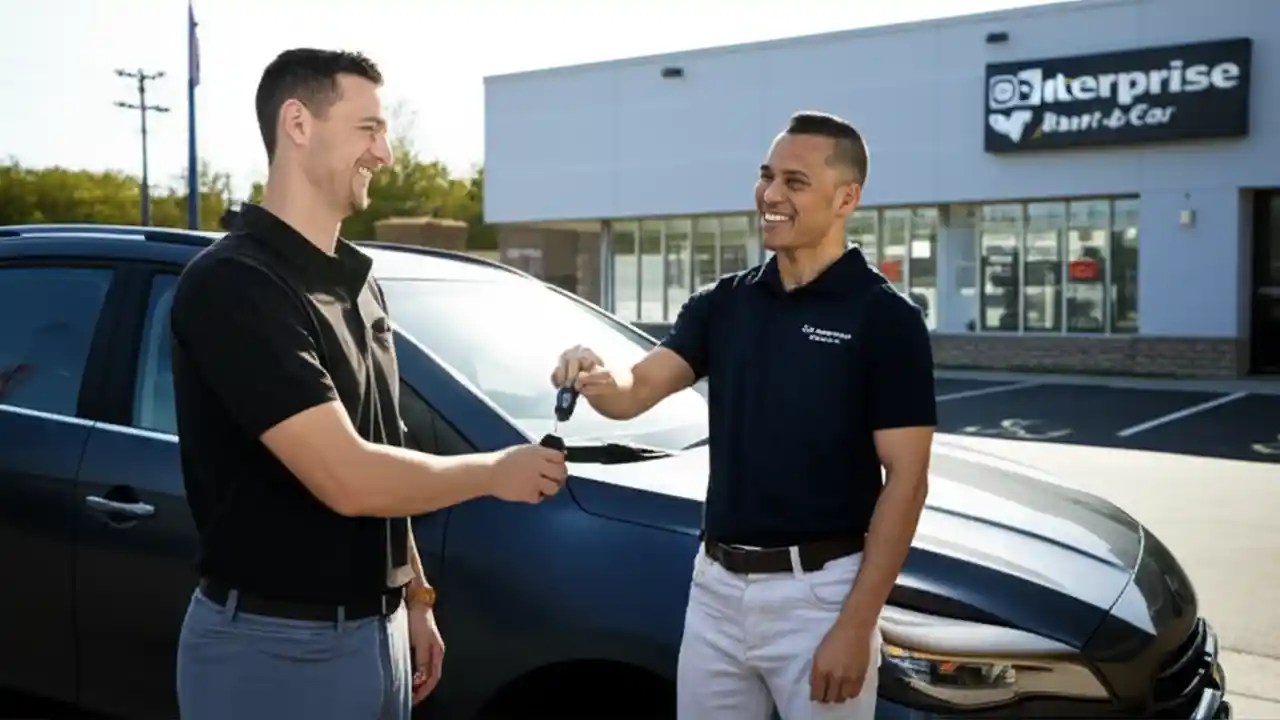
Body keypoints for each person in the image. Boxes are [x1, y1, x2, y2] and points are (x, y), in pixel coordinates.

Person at [170, 48, 567, 720]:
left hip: (374, 637)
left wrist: (414, 596)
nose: (385, 154)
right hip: (275, 650)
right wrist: (495, 471)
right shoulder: (236, 286)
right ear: (298, 124)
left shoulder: (358, 283)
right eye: (368, 130)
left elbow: (383, 446)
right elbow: (349, 477)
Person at [551, 111, 936, 720]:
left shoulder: (885, 320)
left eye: (794, 181)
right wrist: (597, 375)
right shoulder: (725, 303)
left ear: (846, 198)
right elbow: (637, 389)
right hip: (717, 590)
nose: (771, 195)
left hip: (822, 597)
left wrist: (856, 625)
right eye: (766, 177)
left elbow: (907, 479)